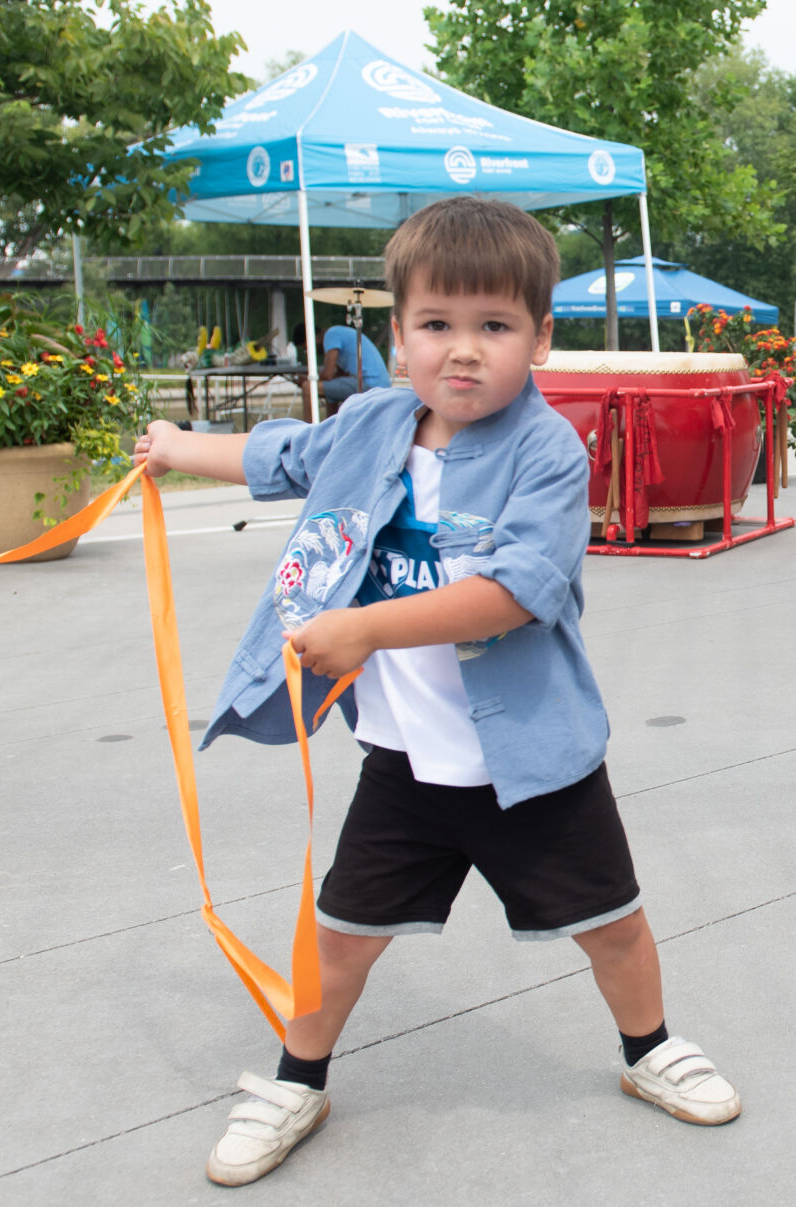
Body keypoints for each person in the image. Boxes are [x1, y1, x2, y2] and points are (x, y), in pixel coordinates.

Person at [135, 197, 741, 1188]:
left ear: (539, 338)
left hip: (533, 765)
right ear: (398, 334)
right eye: (436, 326)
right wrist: (170, 445)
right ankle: (298, 1077)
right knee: (339, 941)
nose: (462, 352)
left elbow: (512, 596)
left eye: (494, 327)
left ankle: (649, 1050)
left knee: (615, 924)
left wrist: (365, 627)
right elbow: (274, 454)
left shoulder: (546, 453)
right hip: (407, 769)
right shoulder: (367, 425)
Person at [292, 321, 392, 416]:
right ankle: (331, 427)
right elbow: (338, 375)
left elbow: (328, 374)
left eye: (305, 348)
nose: (307, 351)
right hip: (380, 383)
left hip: (370, 383)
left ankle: (310, 430)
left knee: (308, 387)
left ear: (312, 338)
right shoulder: (338, 335)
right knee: (329, 390)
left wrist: (306, 378)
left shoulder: (330, 335)